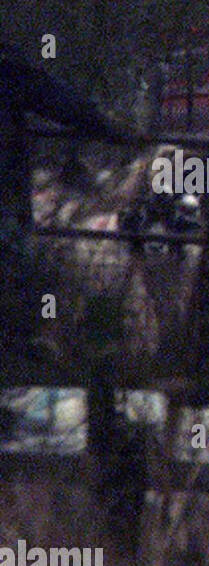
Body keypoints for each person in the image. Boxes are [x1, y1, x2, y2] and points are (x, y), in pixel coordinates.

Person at [1, 42, 130, 351]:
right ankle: (24, 346)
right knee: (18, 263)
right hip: (4, 190)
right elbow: (56, 99)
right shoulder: (9, 68)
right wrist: (109, 127)